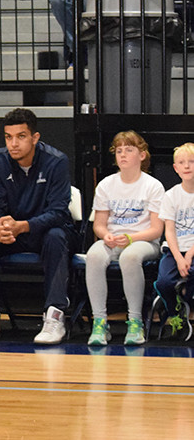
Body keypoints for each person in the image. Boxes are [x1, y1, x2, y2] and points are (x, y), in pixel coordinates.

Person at [0, 108, 77, 345]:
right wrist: (1, 224)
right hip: (14, 231)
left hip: (45, 231)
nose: (13, 144)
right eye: (8, 137)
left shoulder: (56, 161)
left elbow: (59, 212)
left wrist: (25, 226)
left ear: (35, 138)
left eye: (20, 136)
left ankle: (54, 317)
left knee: (56, 237)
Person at [85, 131, 163, 346]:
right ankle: (100, 322)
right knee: (93, 255)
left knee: (129, 257)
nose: (123, 155)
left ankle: (135, 321)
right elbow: (99, 225)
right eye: (119, 151)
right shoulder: (105, 185)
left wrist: (131, 237)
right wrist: (105, 235)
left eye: (129, 150)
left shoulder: (153, 186)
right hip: (113, 241)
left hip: (144, 241)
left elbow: (156, 229)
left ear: (142, 155)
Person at [153, 142, 194, 340]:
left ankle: (185, 301)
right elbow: (169, 230)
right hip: (175, 250)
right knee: (163, 282)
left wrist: (190, 255)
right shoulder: (170, 196)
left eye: (192, 162)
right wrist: (179, 257)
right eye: (182, 163)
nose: (187, 166)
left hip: (193, 250)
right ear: (176, 168)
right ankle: (174, 311)